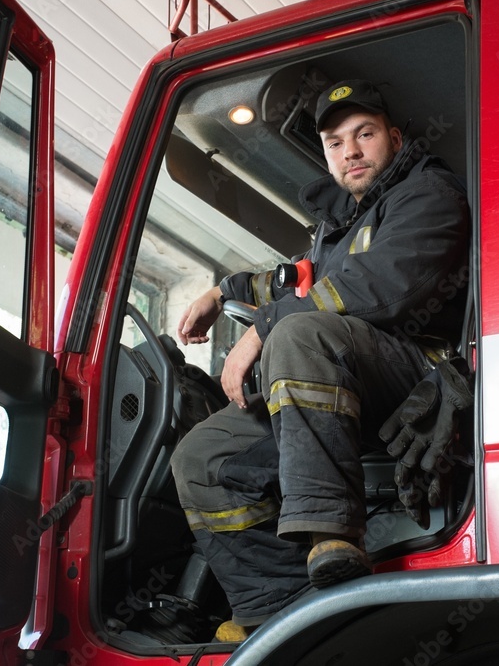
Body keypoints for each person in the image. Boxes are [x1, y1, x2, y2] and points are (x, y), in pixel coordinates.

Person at [171, 79, 470, 641]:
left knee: (300, 333)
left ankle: (333, 533)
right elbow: (295, 280)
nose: (350, 151)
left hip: (411, 373)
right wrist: (222, 291)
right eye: (336, 142)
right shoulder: (341, 227)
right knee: (201, 455)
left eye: (365, 134)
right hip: (337, 370)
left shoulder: (429, 194)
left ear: (395, 137)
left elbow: (383, 283)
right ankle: (275, 602)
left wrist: (265, 327)